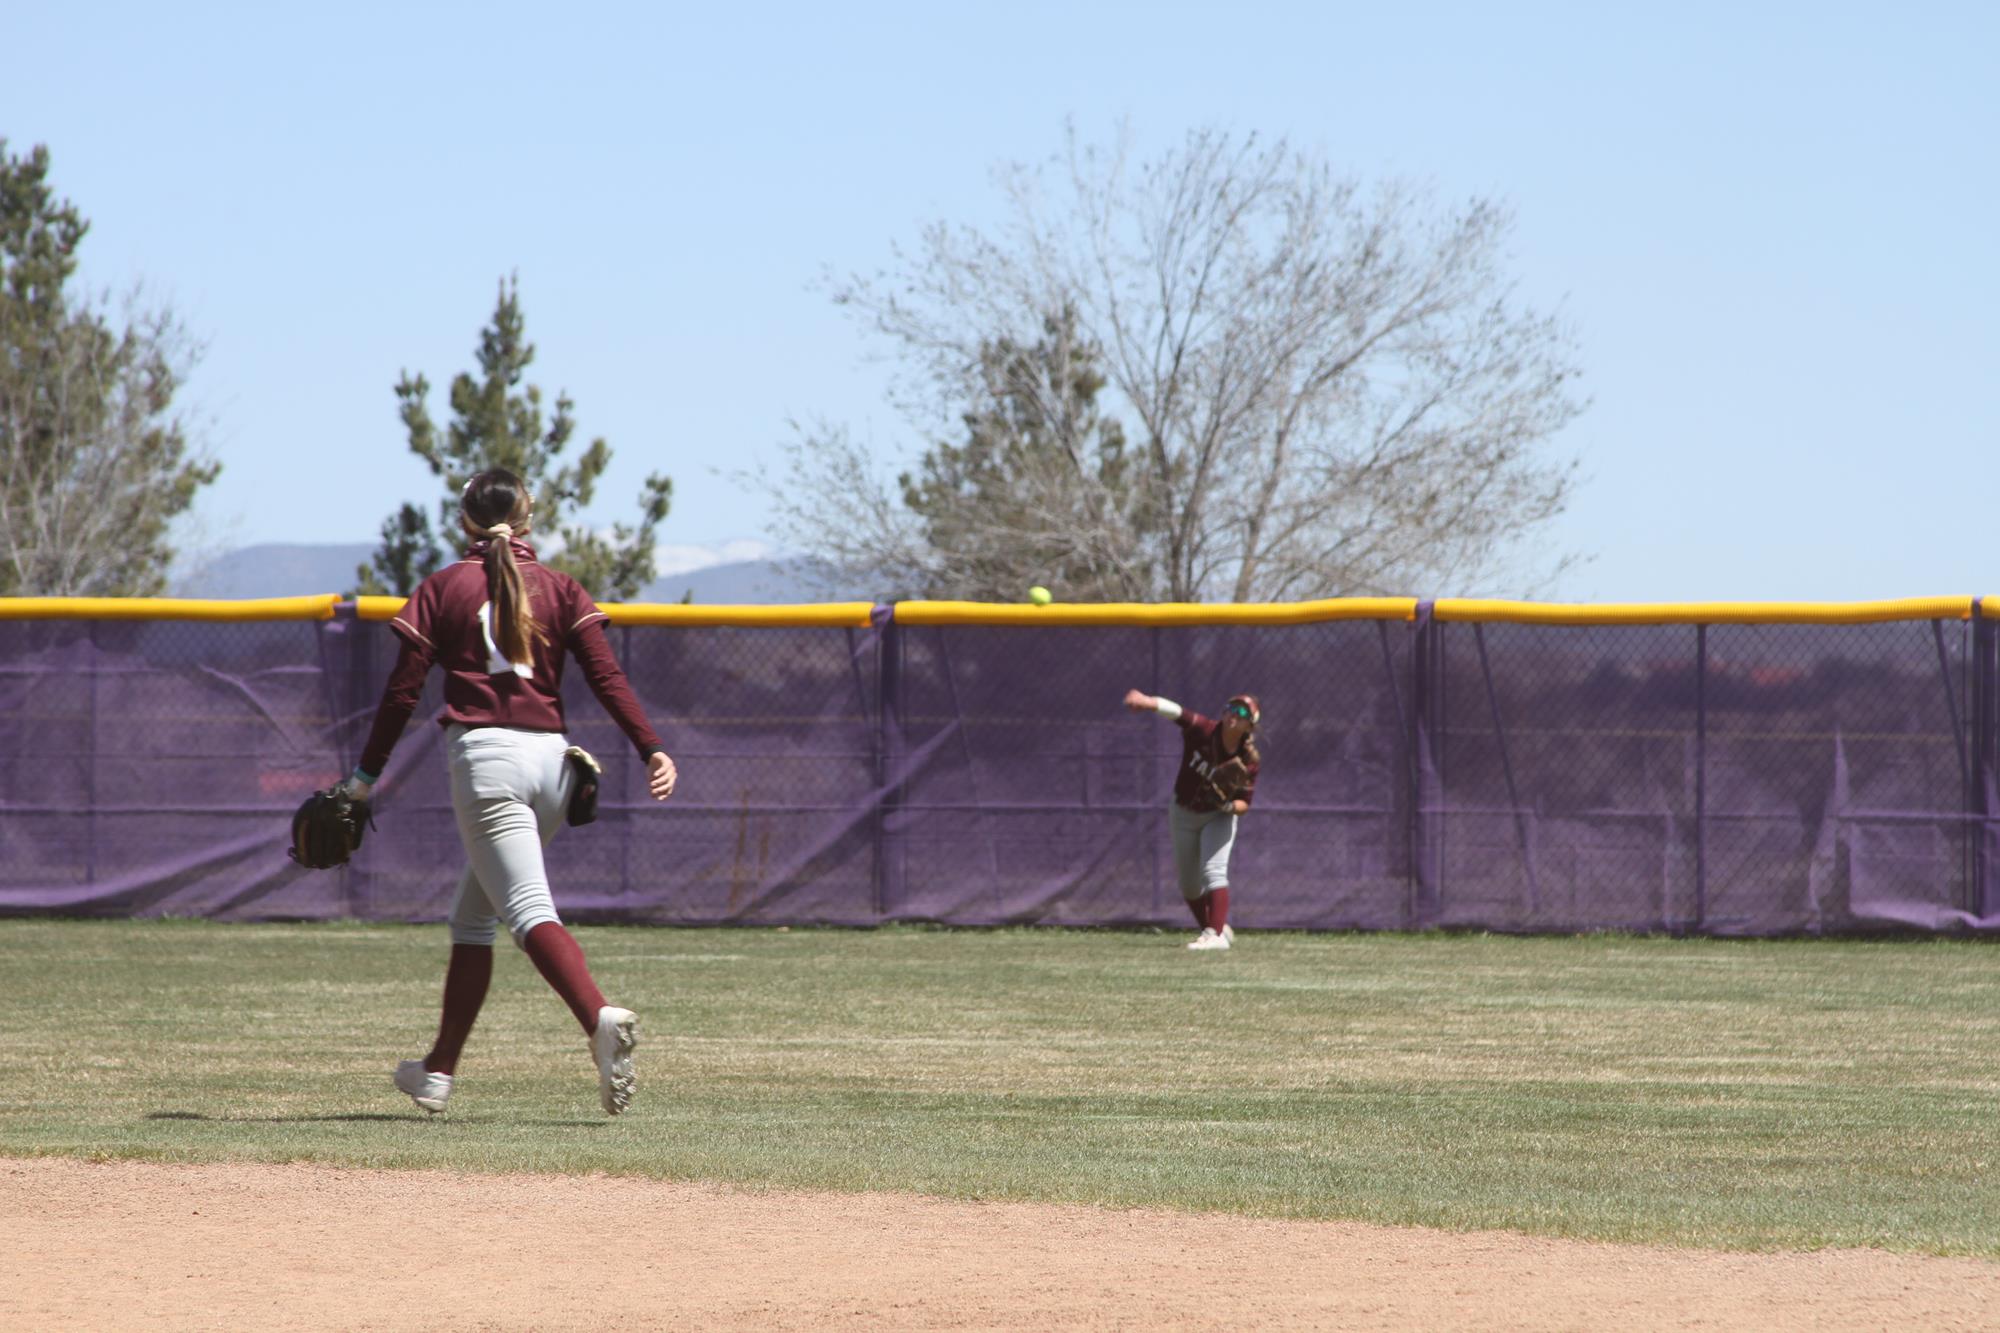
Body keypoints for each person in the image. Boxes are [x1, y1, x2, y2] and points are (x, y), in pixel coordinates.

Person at [338, 468, 677, 1116]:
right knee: (474, 914)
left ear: (464, 520)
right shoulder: (558, 586)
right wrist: (650, 745)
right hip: (554, 763)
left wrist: (364, 776)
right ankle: (438, 1069)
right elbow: (605, 674)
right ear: (527, 519)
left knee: (526, 910)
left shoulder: (445, 586)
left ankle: (598, 1018)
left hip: (488, 760)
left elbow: (403, 693)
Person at [1122, 688, 1261, 950]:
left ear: (1250, 723)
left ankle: (1214, 935)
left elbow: (1245, 804)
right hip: (1183, 811)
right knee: (1188, 885)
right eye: (1231, 707)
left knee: (1214, 871)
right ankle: (1217, 928)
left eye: (1242, 711)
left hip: (1218, 816)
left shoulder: (1249, 759)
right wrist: (1148, 702)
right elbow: (1179, 713)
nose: (1234, 714)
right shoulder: (1205, 731)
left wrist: (1228, 804)